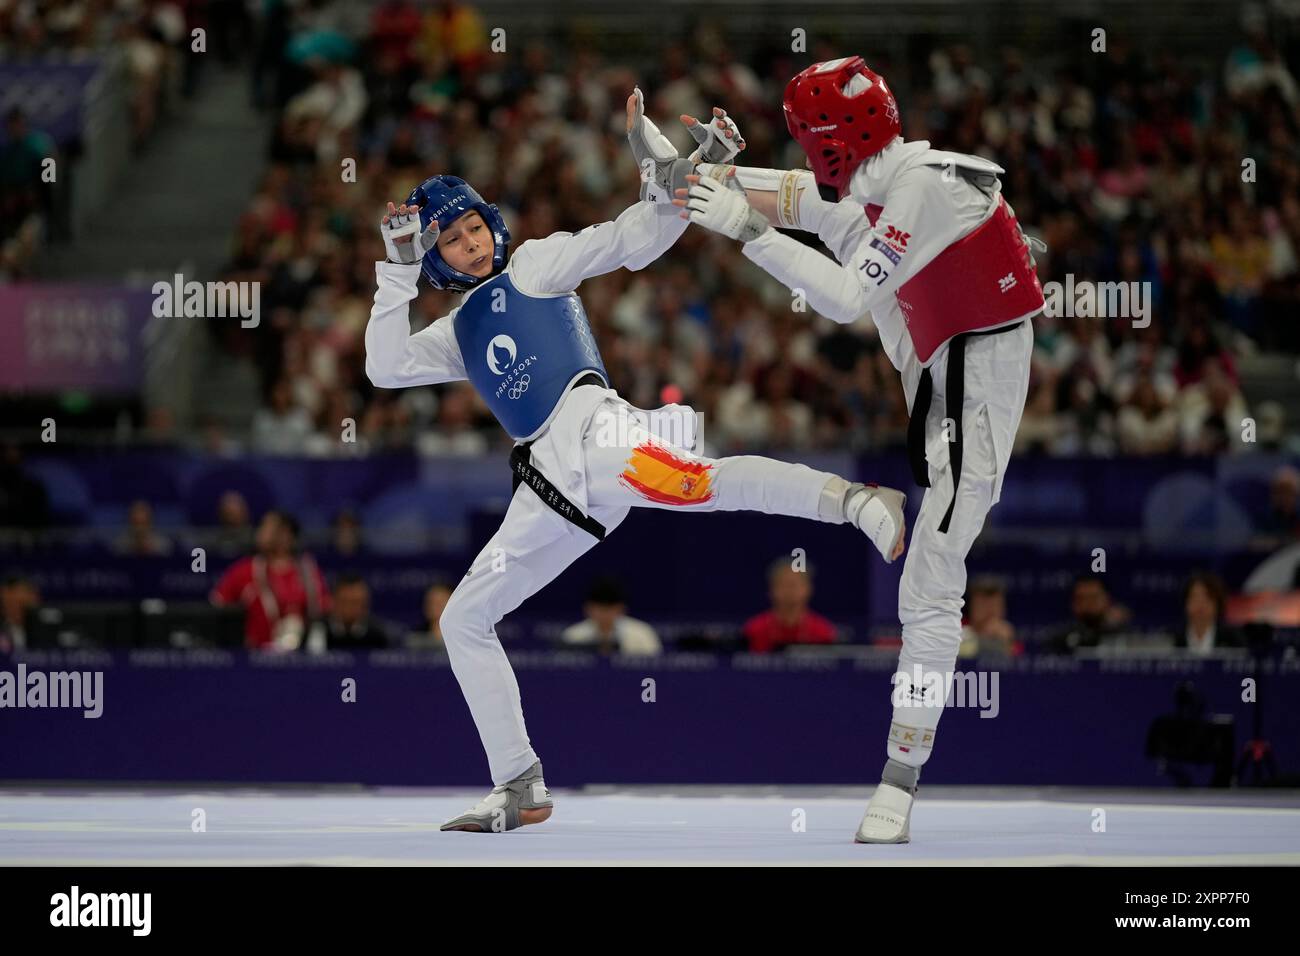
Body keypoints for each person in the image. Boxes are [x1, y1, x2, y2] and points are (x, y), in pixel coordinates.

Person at [365, 88, 908, 833]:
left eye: (472, 228)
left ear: (489, 222)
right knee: (463, 620)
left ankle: (854, 500)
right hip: (549, 491)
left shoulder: (535, 265)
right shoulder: (457, 334)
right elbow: (384, 366)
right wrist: (393, 274)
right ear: (436, 262)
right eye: (451, 243)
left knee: (705, 485)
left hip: (603, 440)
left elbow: (632, 239)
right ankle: (519, 782)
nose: (470, 245)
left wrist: (690, 171)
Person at [676, 56, 1041, 843]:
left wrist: (743, 227)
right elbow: (808, 196)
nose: (807, 150)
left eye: (810, 135)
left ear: (838, 135)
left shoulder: (922, 187)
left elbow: (842, 300)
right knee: (835, 217)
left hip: (976, 379)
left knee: (932, 581)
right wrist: (697, 178)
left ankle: (899, 782)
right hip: (930, 334)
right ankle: (702, 178)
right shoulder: (882, 180)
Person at [210, 510, 330, 650]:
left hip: (302, 656)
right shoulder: (244, 570)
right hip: (257, 656)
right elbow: (217, 607)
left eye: (267, 527)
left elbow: (323, 609)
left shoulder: (308, 571)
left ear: (286, 534)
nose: (260, 532)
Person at [742, 560, 836, 654]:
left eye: (795, 584)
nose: (789, 590)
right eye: (783, 584)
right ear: (771, 589)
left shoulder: (823, 631)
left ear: (809, 589)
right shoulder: (754, 630)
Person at [561, 577, 661, 655]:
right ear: (588, 608)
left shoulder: (642, 634)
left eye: (610, 608)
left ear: (622, 608)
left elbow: (656, 672)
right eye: (600, 608)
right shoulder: (572, 637)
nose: (605, 614)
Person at [1173, 572, 1243, 655]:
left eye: (1207, 598)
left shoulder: (1232, 638)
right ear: (1186, 603)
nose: (1200, 605)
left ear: (1217, 604)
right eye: (1195, 598)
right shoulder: (1173, 638)